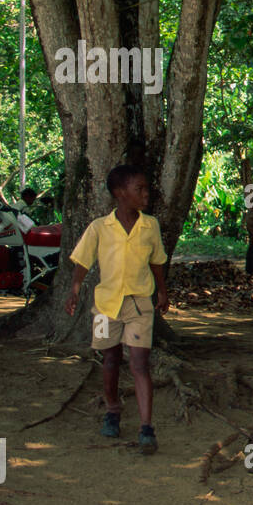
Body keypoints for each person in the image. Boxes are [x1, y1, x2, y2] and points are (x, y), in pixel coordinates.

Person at [64, 164, 169, 455]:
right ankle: (112, 410)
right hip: (103, 307)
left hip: (140, 305)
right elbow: (82, 261)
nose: (146, 194)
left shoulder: (151, 226)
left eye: (147, 188)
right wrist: (74, 291)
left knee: (138, 363)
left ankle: (146, 428)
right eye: (140, 189)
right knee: (108, 359)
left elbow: (157, 261)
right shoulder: (100, 227)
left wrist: (161, 290)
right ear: (120, 193)